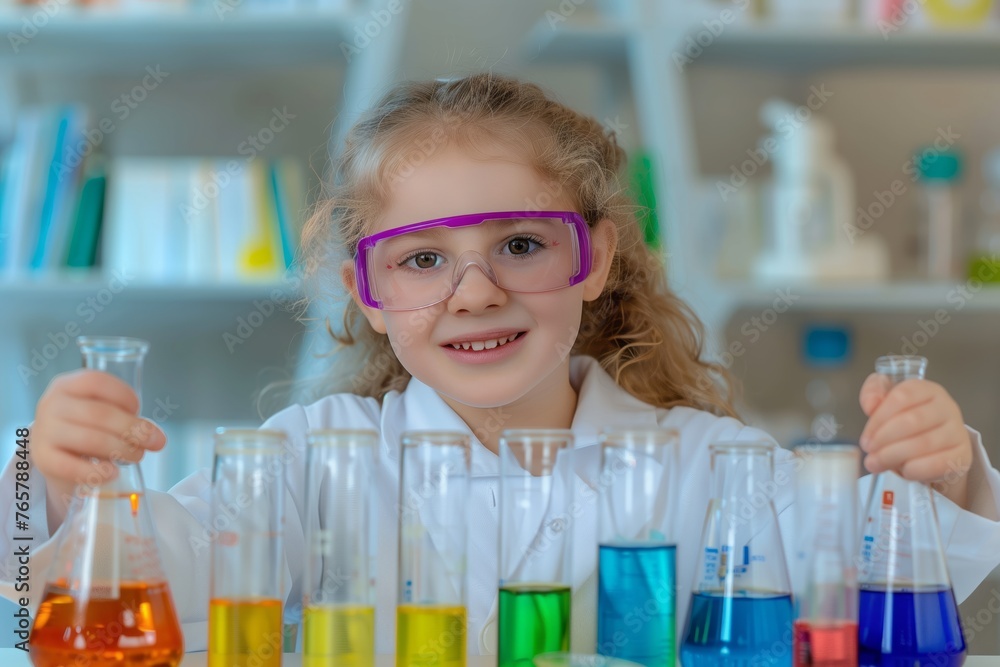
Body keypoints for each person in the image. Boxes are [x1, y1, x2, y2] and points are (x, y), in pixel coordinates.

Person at [3, 73, 1000, 656]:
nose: (474, 293)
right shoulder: (312, 458)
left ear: (594, 258)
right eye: (423, 260)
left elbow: (885, 592)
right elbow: (109, 589)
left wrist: (941, 472)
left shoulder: (706, 463)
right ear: (367, 292)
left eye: (521, 245)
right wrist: (50, 485)